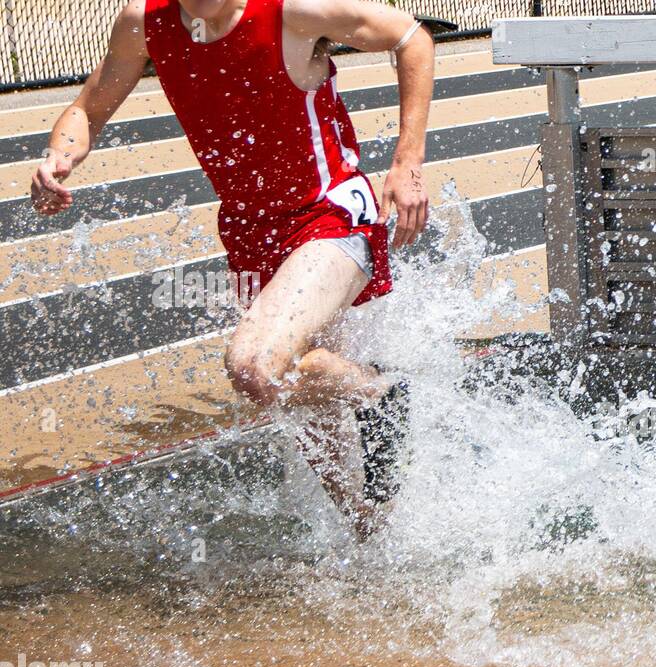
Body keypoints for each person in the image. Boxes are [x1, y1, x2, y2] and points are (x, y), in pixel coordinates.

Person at [31, 0, 435, 537]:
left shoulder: (292, 11)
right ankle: (373, 529)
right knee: (298, 392)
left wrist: (406, 163)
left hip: (330, 212)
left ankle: (378, 392)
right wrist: (60, 156)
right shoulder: (143, 23)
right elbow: (86, 109)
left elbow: (412, 37)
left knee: (254, 365)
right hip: (251, 232)